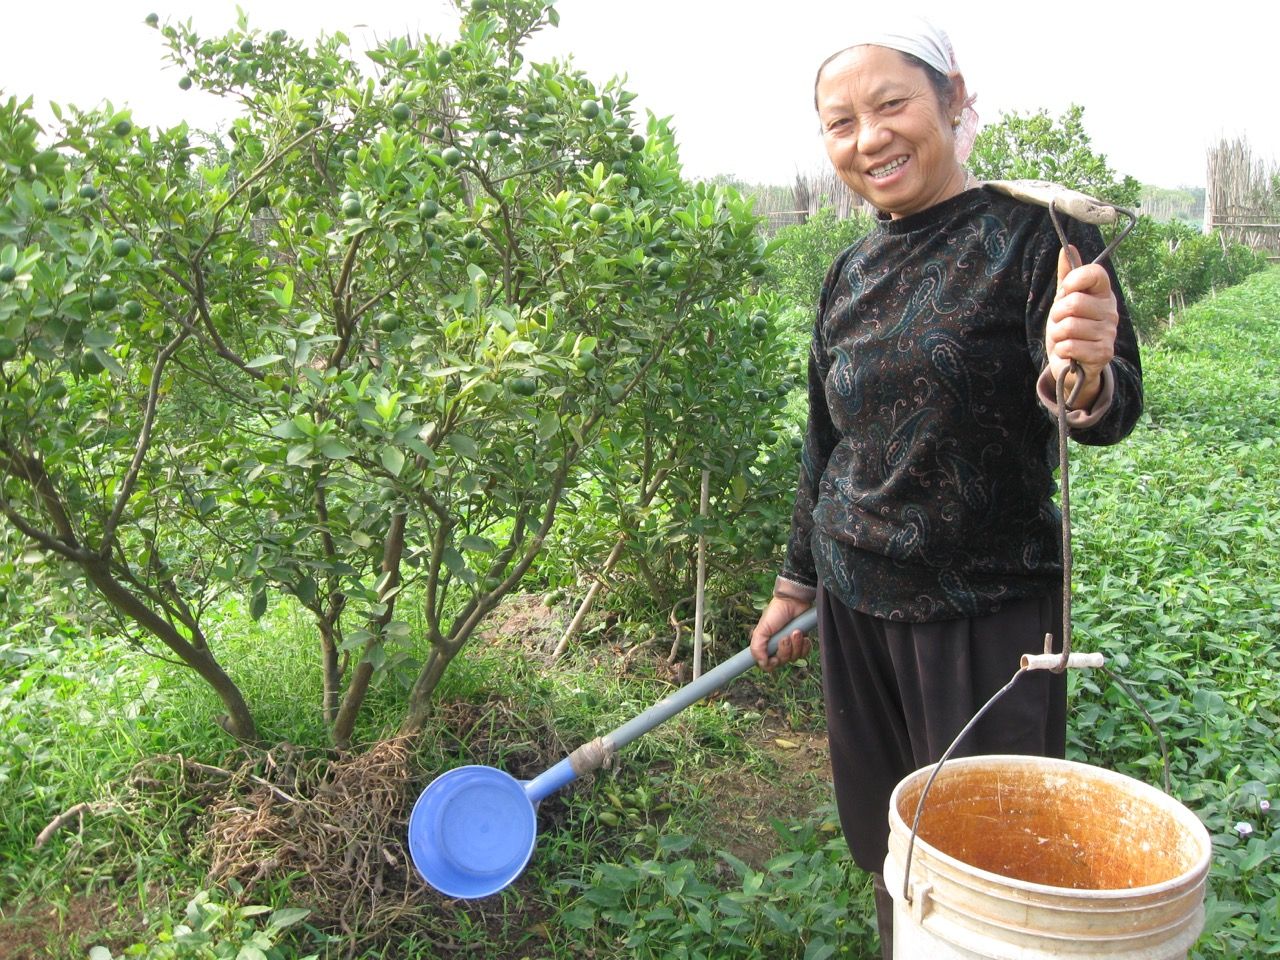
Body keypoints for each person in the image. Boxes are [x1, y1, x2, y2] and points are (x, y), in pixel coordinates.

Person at [748, 16, 1143, 959]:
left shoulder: (1036, 236)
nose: (868, 137)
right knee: (895, 845)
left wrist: (1080, 373)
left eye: (892, 105)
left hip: (987, 613)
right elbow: (824, 442)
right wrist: (795, 585)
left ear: (954, 101)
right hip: (856, 607)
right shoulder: (847, 270)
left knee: (997, 862)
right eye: (841, 122)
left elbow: (1106, 400)